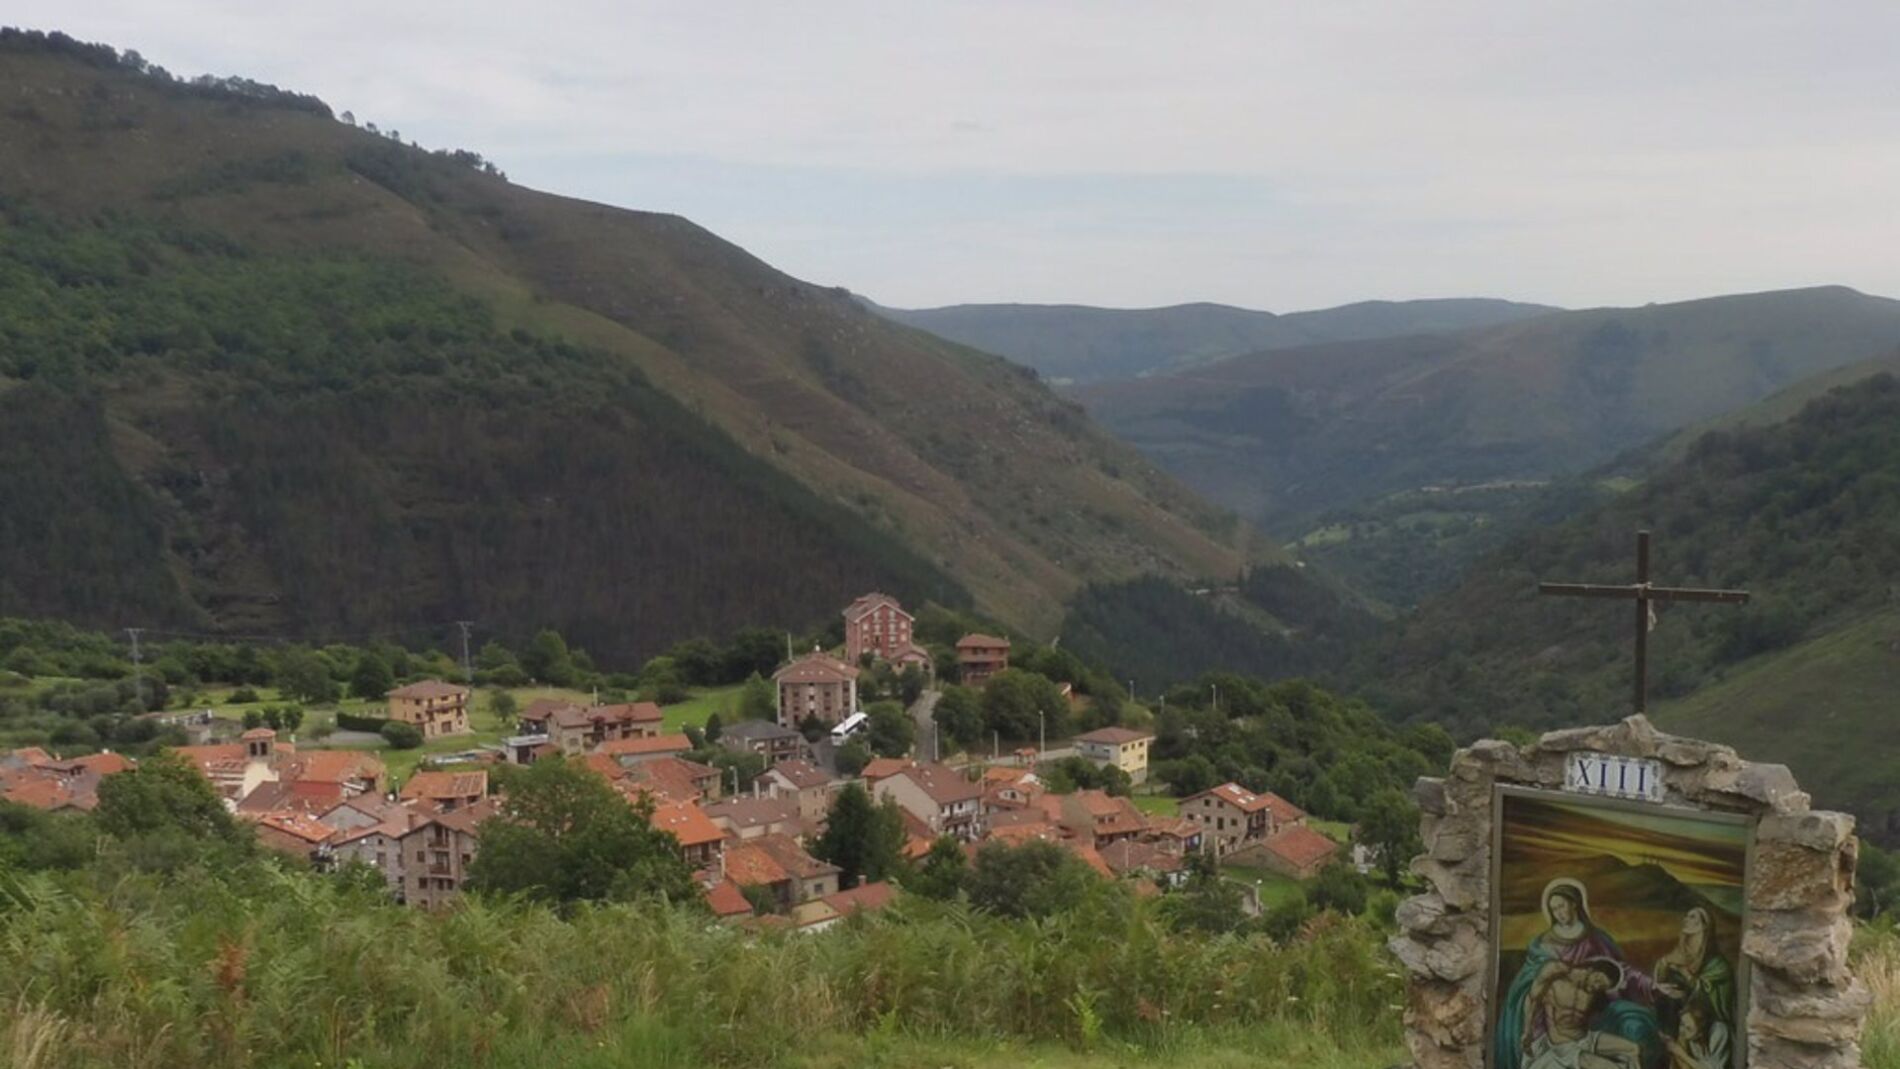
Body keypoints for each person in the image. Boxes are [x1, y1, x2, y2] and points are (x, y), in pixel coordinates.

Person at [1495, 879, 1661, 1069]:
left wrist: (1652, 985)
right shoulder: (1549, 957)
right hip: (1560, 1041)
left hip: (1586, 1035)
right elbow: (1532, 992)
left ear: (1574, 903)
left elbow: (1619, 971)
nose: (1559, 913)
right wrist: (1526, 1031)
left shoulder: (1596, 941)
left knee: (1634, 1049)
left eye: (1561, 906)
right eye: (1554, 909)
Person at [1524, 958, 1644, 1069]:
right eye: (1598, 980)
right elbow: (1532, 999)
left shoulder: (1593, 992)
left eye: (1601, 987)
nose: (1596, 986)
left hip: (1586, 1038)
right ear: (1591, 969)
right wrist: (1527, 1030)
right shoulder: (1557, 977)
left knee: (1634, 1050)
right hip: (1563, 1044)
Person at [1652, 907, 1734, 1036]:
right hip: (1674, 1009)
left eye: (1692, 917)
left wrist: (1683, 973)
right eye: (1687, 916)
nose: (1686, 919)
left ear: (1704, 925)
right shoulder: (1678, 953)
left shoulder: (1717, 964)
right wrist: (1664, 963)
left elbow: (1712, 1000)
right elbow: (1661, 979)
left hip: (1700, 1019)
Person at [1661, 995, 1730, 1069]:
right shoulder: (1688, 1035)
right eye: (1682, 1023)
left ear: (1701, 1032)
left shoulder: (1718, 1032)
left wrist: (1680, 1053)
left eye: (1688, 1028)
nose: (1682, 1030)